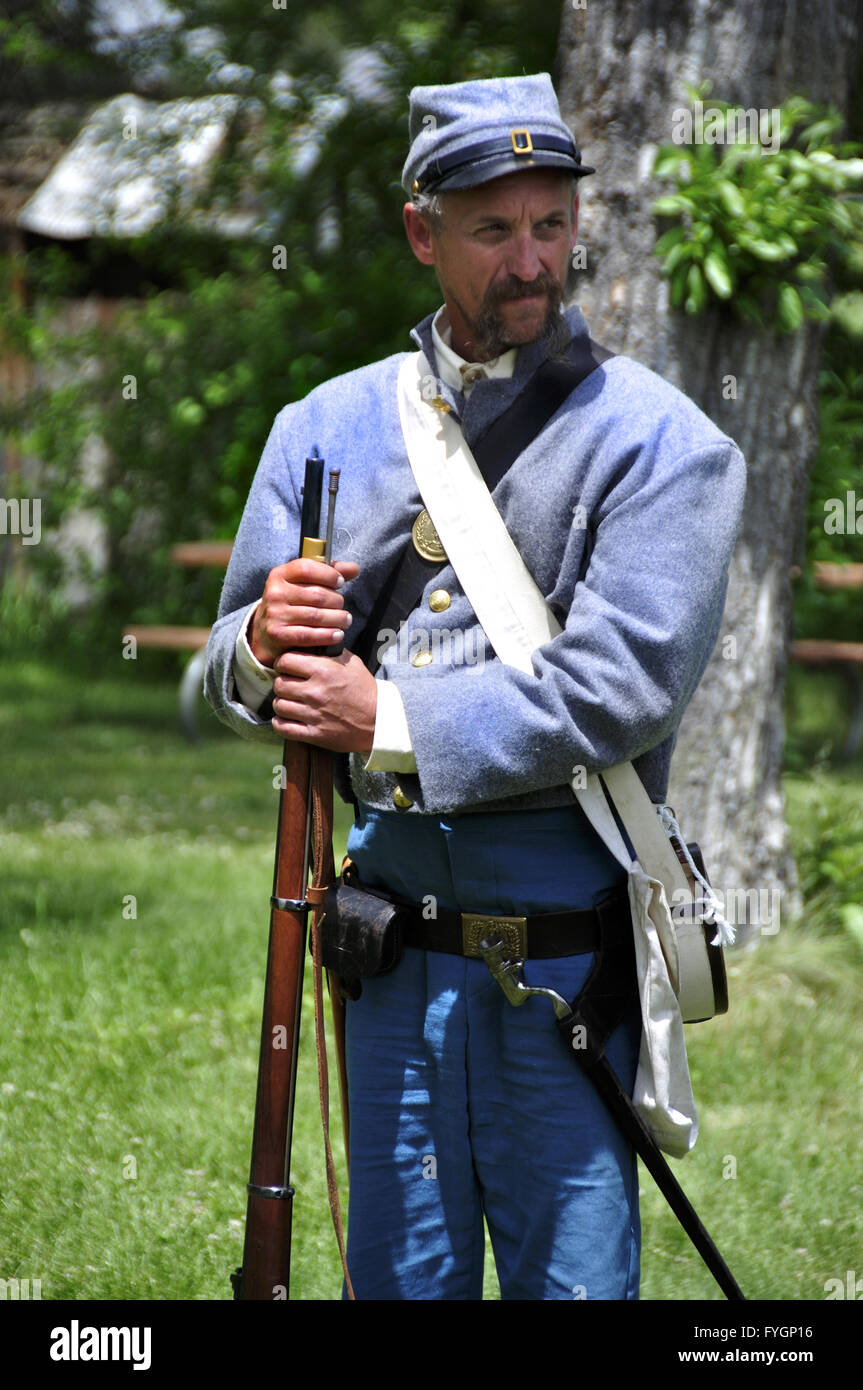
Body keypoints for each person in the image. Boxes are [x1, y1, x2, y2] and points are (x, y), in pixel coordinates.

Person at [204, 72, 746, 1301]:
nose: (530, 261)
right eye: (493, 230)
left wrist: (382, 718)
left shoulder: (662, 444)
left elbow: (620, 685)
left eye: (549, 224)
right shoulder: (324, 427)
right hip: (385, 964)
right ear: (421, 233)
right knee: (398, 1283)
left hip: (563, 967)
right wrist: (255, 646)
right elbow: (220, 664)